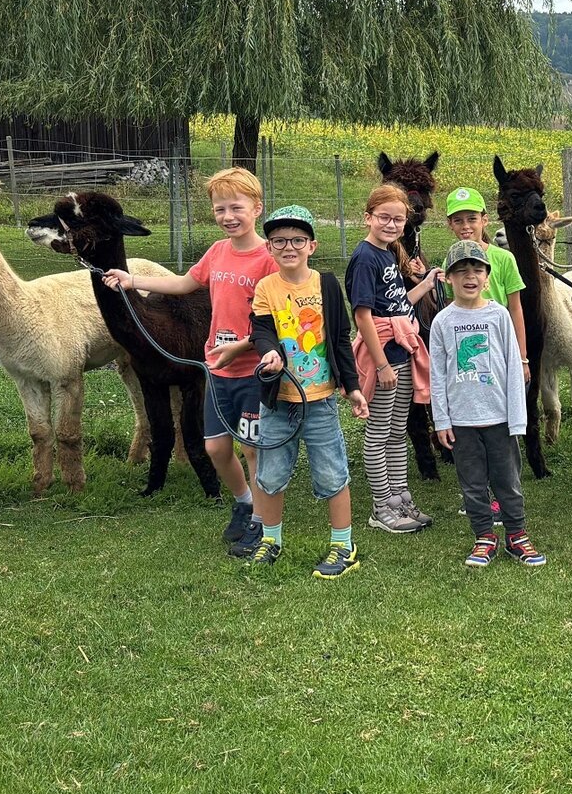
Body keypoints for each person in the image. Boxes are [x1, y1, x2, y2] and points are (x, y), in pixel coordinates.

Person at [102, 167, 276, 548]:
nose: (228, 216)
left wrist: (243, 346)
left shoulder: (269, 259)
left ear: (257, 208)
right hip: (217, 371)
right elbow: (184, 283)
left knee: (252, 450)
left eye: (236, 208)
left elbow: (280, 318)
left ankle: (261, 523)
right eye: (219, 209)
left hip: (253, 370)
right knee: (215, 448)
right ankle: (244, 502)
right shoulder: (217, 252)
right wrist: (133, 281)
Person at [247, 205, 370, 577]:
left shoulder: (327, 285)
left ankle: (343, 546)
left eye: (297, 240)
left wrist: (352, 387)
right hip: (277, 402)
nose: (289, 247)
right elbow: (261, 330)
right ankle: (270, 540)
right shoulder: (266, 288)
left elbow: (341, 340)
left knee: (333, 475)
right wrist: (269, 351)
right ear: (269, 247)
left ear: (312, 246)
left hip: (320, 402)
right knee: (270, 475)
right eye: (280, 240)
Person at [429, 240, 547, 569]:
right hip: (462, 421)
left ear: (487, 277)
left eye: (476, 270)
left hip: (499, 418)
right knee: (472, 484)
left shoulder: (499, 315)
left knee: (507, 480)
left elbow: (513, 366)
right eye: (461, 271)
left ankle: (516, 535)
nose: (470, 276)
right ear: (448, 278)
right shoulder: (442, 322)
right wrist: (442, 421)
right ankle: (484, 536)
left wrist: (517, 417)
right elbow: (437, 374)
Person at [348, 183, 442, 534]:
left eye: (398, 219)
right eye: (384, 217)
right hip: (385, 355)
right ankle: (380, 507)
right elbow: (363, 316)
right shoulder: (365, 258)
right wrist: (382, 364)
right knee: (378, 432)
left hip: (403, 352)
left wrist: (427, 283)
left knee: (396, 431)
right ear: (368, 218)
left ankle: (400, 498)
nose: (391, 224)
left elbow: (400, 305)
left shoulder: (389, 254)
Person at [441, 187, 528, 378]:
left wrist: (522, 357)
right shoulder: (450, 262)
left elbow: (515, 308)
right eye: (458, 220)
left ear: (484, 220)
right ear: (450, 224)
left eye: (472, 219)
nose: (466, 226)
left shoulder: (504, 258)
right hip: (465, 339)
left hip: (498, 340)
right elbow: (450, 306)